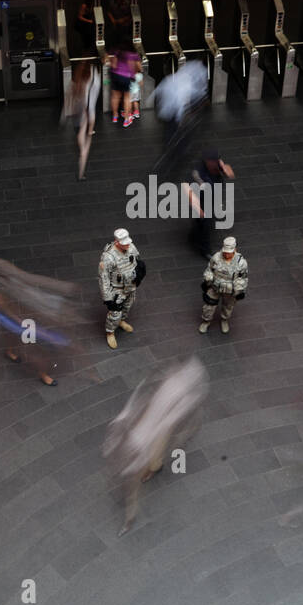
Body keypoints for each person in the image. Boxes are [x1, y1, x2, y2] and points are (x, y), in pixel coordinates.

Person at [102, 357, 206, 535]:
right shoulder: (168, 384)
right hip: (145, 432)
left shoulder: (181, 395)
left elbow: (173, 420)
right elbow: (142, 400)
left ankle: (130, 518)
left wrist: (181, 436)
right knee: (137, 476)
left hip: (151, 435)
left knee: (138, 479)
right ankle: (130, 513)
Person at [0, 257, 75, 386]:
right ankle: (42, 373)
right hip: (14, 316)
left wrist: (57, 286)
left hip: (23, 310)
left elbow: (28, 278)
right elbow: (3, 308)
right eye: (2, 268)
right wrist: (21, 321)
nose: (6, 269)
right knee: (34, 344)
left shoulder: (8, 274)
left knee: (20, 337)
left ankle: (11, 351)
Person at [99, 227, 145, 349]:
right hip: (117, 290)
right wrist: (108, 298)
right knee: (114, 312)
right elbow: (103, 278)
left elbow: (138, 261)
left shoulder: (131, 247)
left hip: (131, 286)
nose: (127, 245)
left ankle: (121, 321)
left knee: (127, 306)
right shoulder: (108, 257)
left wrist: (140, 274)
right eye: (124, 243)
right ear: (117, 242)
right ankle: (110, 332)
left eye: (128, 242)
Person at [188, 149, 235, 257]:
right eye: (213, 161)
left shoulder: (218, 165)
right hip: (202, 200)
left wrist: (224, 168)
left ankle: (195, 234)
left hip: (213, 195)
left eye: (216, 160)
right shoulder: (198, 172)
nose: (215, 163)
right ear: (207, 161)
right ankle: (206, 250)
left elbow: (231, 174)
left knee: (202, 222)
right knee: (206, 224)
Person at [199, 236, 249, 335]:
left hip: (230, 290)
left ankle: (224, 320)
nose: (226, 255)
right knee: (209, 306)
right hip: (215, 287)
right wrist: (207, 279)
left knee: (228, 306)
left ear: (234, 250)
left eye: (229, 253)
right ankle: (206, 321)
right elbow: (209, 269)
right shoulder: (216, 257)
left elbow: (243, 277)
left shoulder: (241, 263)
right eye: (225, 252)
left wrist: (239, 288)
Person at [63, 59, 101, 180]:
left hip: (76, 116)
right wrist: (90, 130)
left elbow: (68, 97)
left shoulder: (75, 82)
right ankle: (81, 173)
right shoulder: (90, 82)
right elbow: (91, 106)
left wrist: (64, 116)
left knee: (80, 136)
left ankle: (81, 149)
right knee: (85, 147)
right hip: (86, 116)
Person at [107, 45, 141, 126]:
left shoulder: (117, 50)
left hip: (115, 75)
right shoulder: (133, 54)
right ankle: (126, 120)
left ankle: (115, 116)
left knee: (115, 97)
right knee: (127, 98)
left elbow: (110, 61)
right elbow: (138, 67)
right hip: (126, 76)